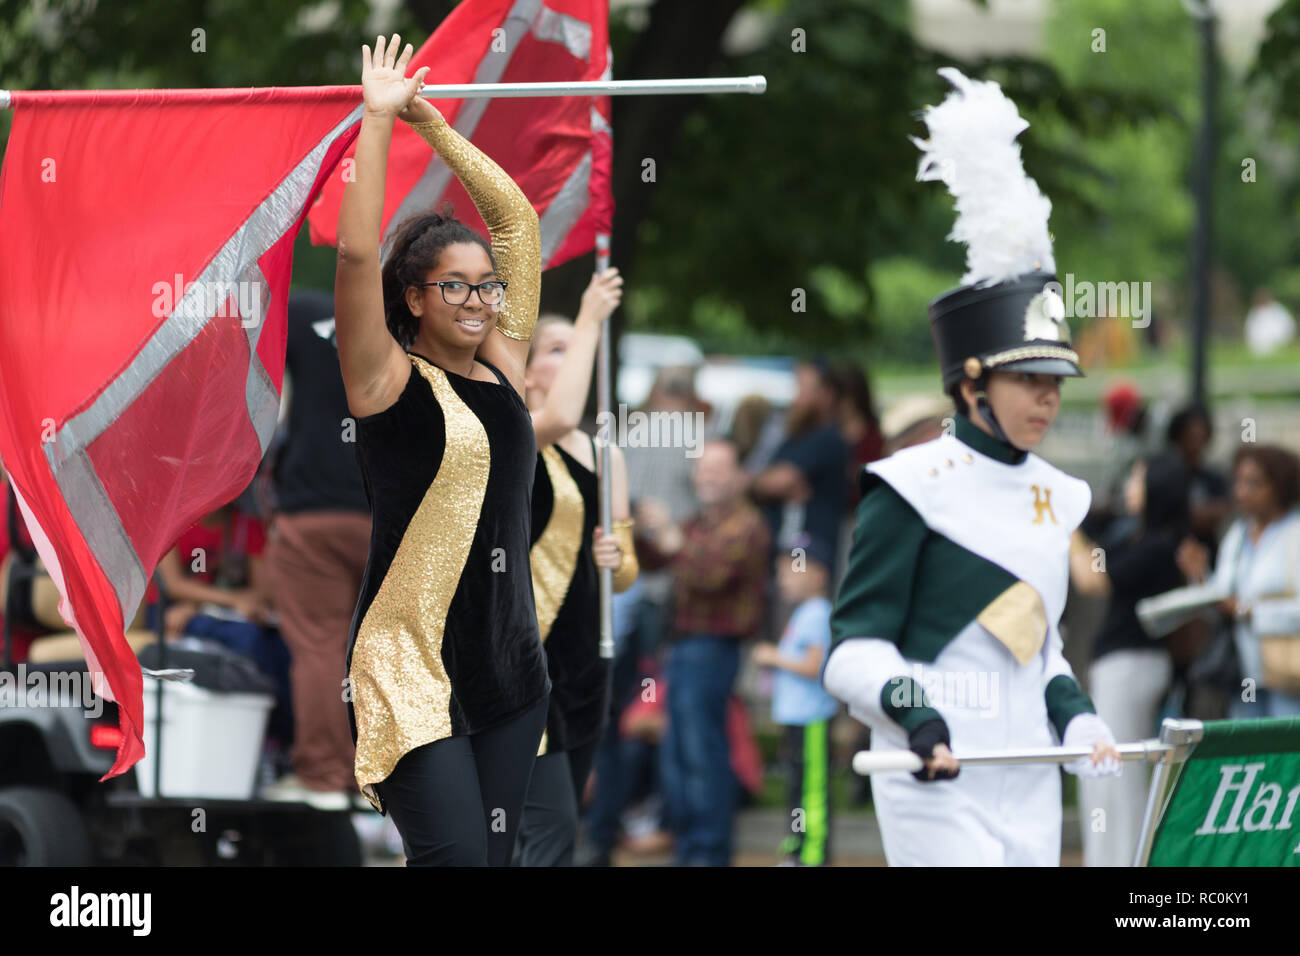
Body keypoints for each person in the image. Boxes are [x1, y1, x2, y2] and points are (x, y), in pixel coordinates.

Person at [822, 67, 1120, 867]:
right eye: (1029, 381)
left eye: (1055, 384)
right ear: (972, 382)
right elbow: (851, 650)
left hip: (1027, 776)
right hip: (932, 774)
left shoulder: (1060, 496)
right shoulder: (911, 485)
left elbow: (1039, 649)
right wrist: (921, 718)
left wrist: (1079, 717)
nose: (1047, 402)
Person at [334, 35, 550, 866]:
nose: (477, 299)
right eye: (453, 286)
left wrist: (431, 118)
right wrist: (378, 118)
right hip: (406, 661)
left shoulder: (504, 363)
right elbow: (357, 252)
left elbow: (516, 222)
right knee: (455, 858)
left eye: (485, 285)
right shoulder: (384, 381)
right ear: (413, 298)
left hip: (509, 664)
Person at [514, 277, 643, 867]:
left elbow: (624, 575)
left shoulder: (607, 455)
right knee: (548, 828)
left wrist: (618, 560)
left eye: (577, 345)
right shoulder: (517, 435)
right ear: (531, 368)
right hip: (523, 654)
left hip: (586, 658)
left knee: (556, 822)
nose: (571, 359)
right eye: (555, 350)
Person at [258, 289, 374, 811]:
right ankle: (383, 784)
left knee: (319, 647)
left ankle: (325, 776)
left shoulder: (300, 311)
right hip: (391, 510)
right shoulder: (411, 310)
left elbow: (255, 388)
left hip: (310, 509)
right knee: (383, 652)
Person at [637, 438, 771, 866]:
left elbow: (709, 574)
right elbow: (654, 561)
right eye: (704, 468)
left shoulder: (748, 526)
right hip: (683, 650)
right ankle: (690, 850)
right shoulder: (697, 523)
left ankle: (708, 855)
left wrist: (671, 536)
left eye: (719, 468)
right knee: (678, 757)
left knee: (702, 756)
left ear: (739, 477)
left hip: (715, 651)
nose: (709, 476)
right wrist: (641, 527)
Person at [1075, 454, 1193, 867]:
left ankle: (1128, 861)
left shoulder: (1159, 546)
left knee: (1121, 772)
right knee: (1103, 771)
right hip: (1121, 666)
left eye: (1138, 480)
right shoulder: (1136, 537)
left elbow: (1092, 578)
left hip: (1132, 666)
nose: (1129, 487)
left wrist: (1066, 524)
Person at [1177, 445, 1300, 719]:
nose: (1241, 492)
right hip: (1244, 671)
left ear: (1280, 486)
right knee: (1250, 753)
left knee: (1289, 755)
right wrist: (1200, 577)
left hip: (1290, 674)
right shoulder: (1238, 534)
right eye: (1238, 482)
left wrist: (1249, 612)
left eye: (1254, 483)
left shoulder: (1295, 533)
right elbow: (1222, 598)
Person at [752, 533, 838, 866]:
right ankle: (797, 849)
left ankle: (812, 854)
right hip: (797, 719)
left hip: (812, 719)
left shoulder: (817, 613)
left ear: (819, 575)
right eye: (781, 570)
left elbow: (814, 666)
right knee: (796, 789)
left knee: (811, 791)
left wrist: (773, 657)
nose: (783, 577)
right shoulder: (804, 613)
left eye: (793, 568)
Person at [750, 359, 848, 576]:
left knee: (798, 605)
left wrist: (750, 481)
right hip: (787, 546)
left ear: (826, 394)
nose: (795, 398)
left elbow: (779, 482)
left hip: (804, 552)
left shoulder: (827, 438)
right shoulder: (797, 436)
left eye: (802, 389)